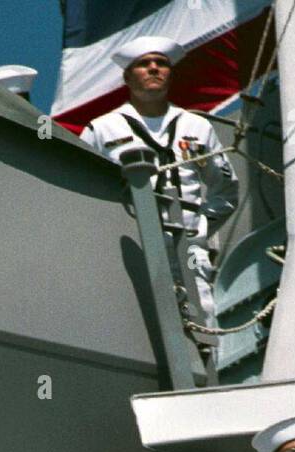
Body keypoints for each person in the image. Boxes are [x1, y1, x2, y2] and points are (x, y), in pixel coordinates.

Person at [80, 37, 239, 327]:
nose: (154, 69)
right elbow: (82, 191)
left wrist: (200, 227)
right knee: (132, 325)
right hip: (130, 245)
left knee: (202, 325)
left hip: (188, 250)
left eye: (161, 64)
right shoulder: (102, 129)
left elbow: (226, 190)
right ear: (128, 77)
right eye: (144, 64)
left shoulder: (197, 126)